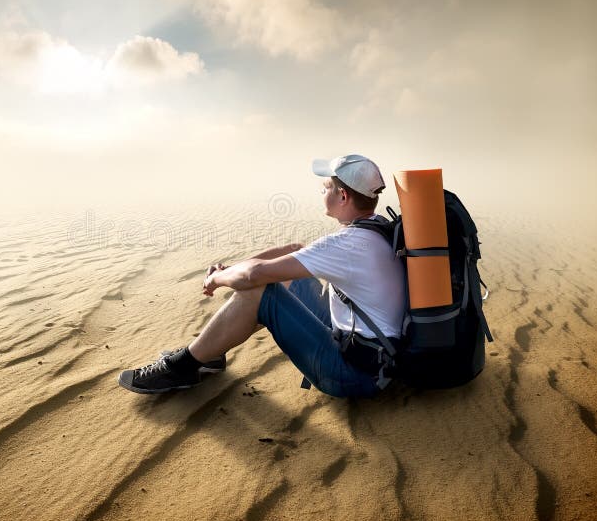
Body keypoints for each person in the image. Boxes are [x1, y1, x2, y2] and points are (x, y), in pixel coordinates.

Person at [117, 154, 406, 398]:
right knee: (295, 276)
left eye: (326, 186)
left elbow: (254, 276)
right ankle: (212, 353)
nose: (321, 191)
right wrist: (229, 269)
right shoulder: (376, 228)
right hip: (373, 353)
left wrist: (217, 279)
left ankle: (182, 367)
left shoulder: (347, 244)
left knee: (259, 290)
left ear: (342, 195)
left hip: (355, 376)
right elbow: (296, 250)